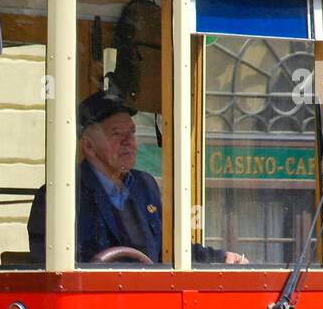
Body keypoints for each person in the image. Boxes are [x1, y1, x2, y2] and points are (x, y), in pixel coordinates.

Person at [27, 85, 247, 265]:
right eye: (116, 133)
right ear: (89, 146)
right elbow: (55, 273)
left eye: (131, 132)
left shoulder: (145, 185)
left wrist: (219, 258)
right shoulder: (59, 196)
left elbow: (169, 247)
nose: (128, 141)